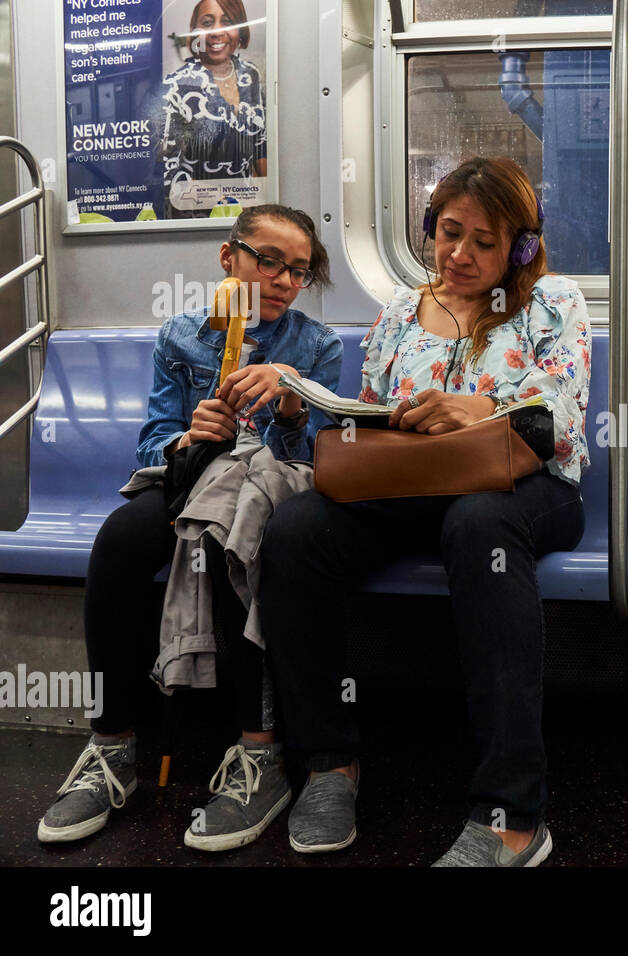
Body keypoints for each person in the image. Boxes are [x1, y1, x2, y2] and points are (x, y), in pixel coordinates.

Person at [257, 157, 590, 866]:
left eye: (485, 241)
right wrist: (350, 417)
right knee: (295, 532)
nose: (460, 255)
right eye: (448, 233)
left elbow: (560, 419)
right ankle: (327, 762)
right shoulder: (403, 311)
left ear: (522, 248)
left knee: (478, 523)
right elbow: (371, 406)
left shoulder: (553, 302)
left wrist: (483, 408)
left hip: (526, 485)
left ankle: (513, 815)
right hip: (414, 480)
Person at [37, 205, 343, 850]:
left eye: (298, 269)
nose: (284, 279)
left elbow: (323, 462)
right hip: (193, 480)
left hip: (270, 487)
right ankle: (112, 743)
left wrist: (290, 405)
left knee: (233, 533)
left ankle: (256, 751)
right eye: (268, 260)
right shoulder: (181, 335)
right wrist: (187, 435)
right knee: (120, 540)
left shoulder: (317, 348)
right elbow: (152, 444)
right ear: (228, 257)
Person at [156, 0, 267, 219]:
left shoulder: (250, 76)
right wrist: (229, 199)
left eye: (227, 22)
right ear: (195, 33)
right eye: (207, 23)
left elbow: (261, 146)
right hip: (197, 221)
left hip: (247, 218)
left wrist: (269, 205)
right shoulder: (177, 86)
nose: (217, 31)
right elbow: (168, 173)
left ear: (240, 31)